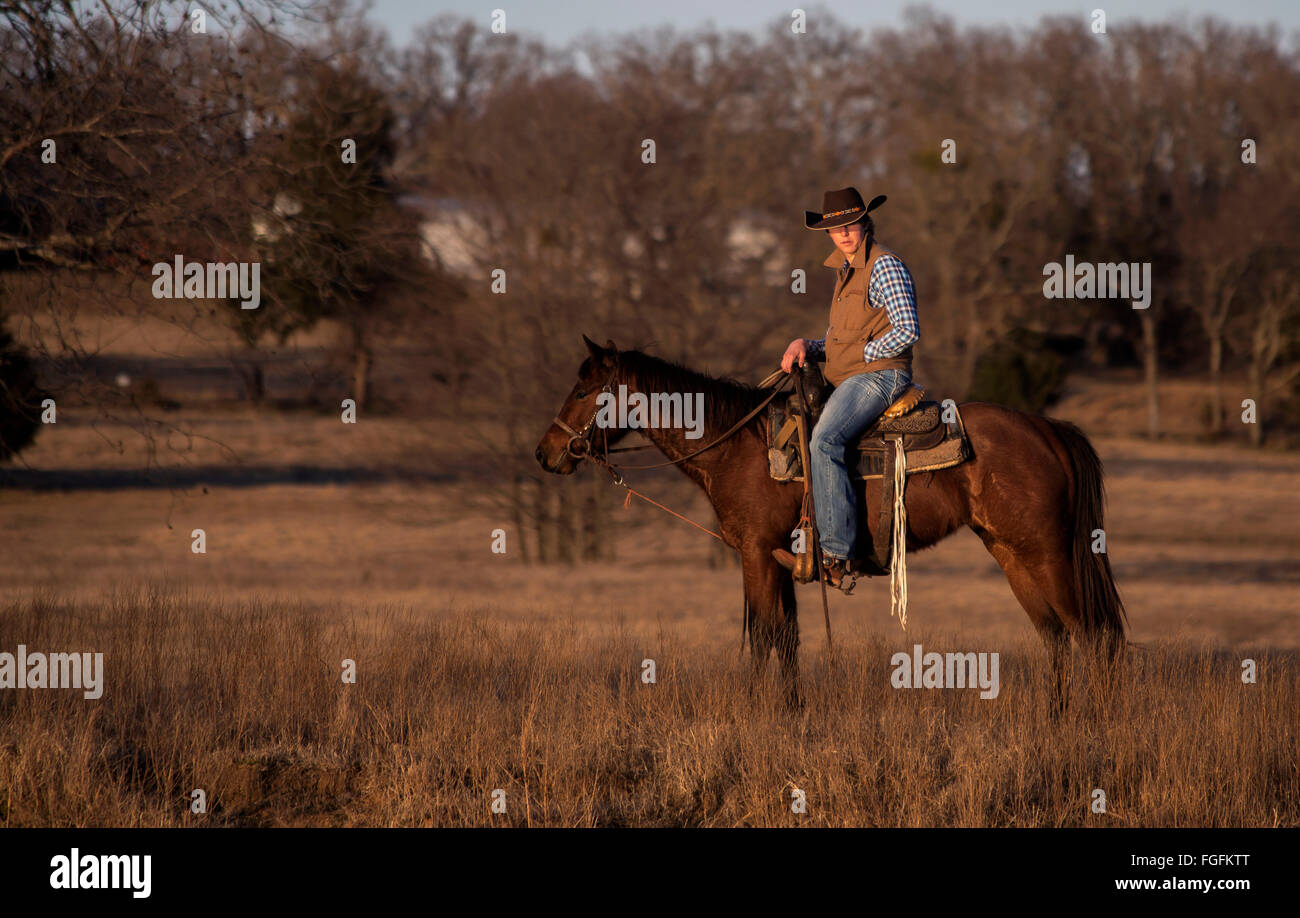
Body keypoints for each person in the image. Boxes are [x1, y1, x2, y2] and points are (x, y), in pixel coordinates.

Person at [777, 187, 920, 587]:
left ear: (864, 223)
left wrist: (863, 352)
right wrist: (808, 345)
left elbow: (908, 329)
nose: (843, 233)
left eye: (849, 224)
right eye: (835, 228)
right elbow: (845, 341)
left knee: (823, 441)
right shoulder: (845, 270)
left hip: (882, 374)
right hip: (853, 373)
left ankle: (837, 553)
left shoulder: (884, 266)